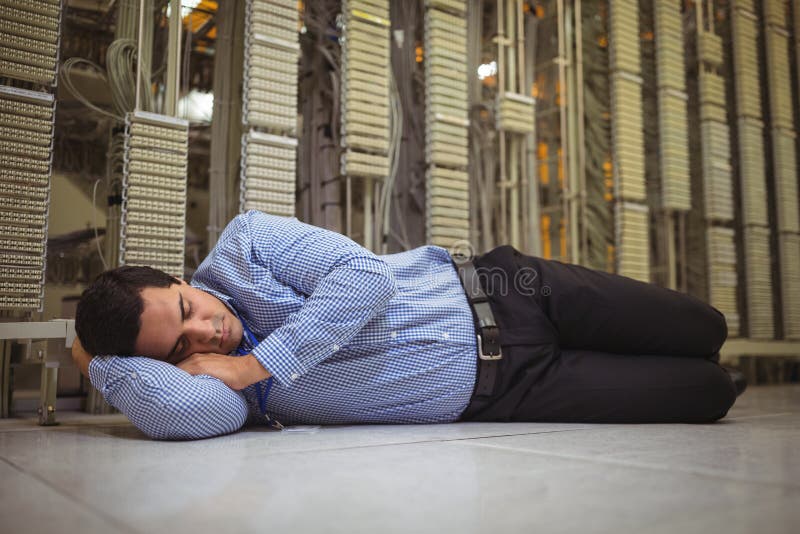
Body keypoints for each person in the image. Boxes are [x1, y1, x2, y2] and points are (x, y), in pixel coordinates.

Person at [72, 210, 743, 440]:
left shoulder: (246, 247)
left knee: (704, 326)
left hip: (515, 292)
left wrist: (257, 362)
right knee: (709, 396)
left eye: (187, 310)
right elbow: (180, 414)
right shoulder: (214, 390)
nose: (206, 335)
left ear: (180, 279)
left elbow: (367, 278)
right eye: (179, 346)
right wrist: (97, 358)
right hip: (512, 391)